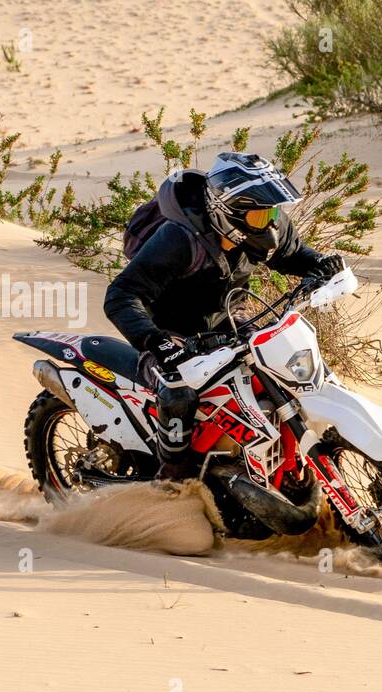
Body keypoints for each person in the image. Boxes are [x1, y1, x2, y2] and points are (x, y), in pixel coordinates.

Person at [104, 152, 343, 480]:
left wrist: (320, 264)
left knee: (284, 368)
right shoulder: (180, 240)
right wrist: (157, 341)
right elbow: (121, 295)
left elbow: (292, 255)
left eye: (272, 212)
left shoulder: (260, 228)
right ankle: (173, 478)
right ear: (227, 213)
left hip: (228, 321)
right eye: (260, 216)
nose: (271, 223)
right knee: (179, 392)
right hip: (170, 333)